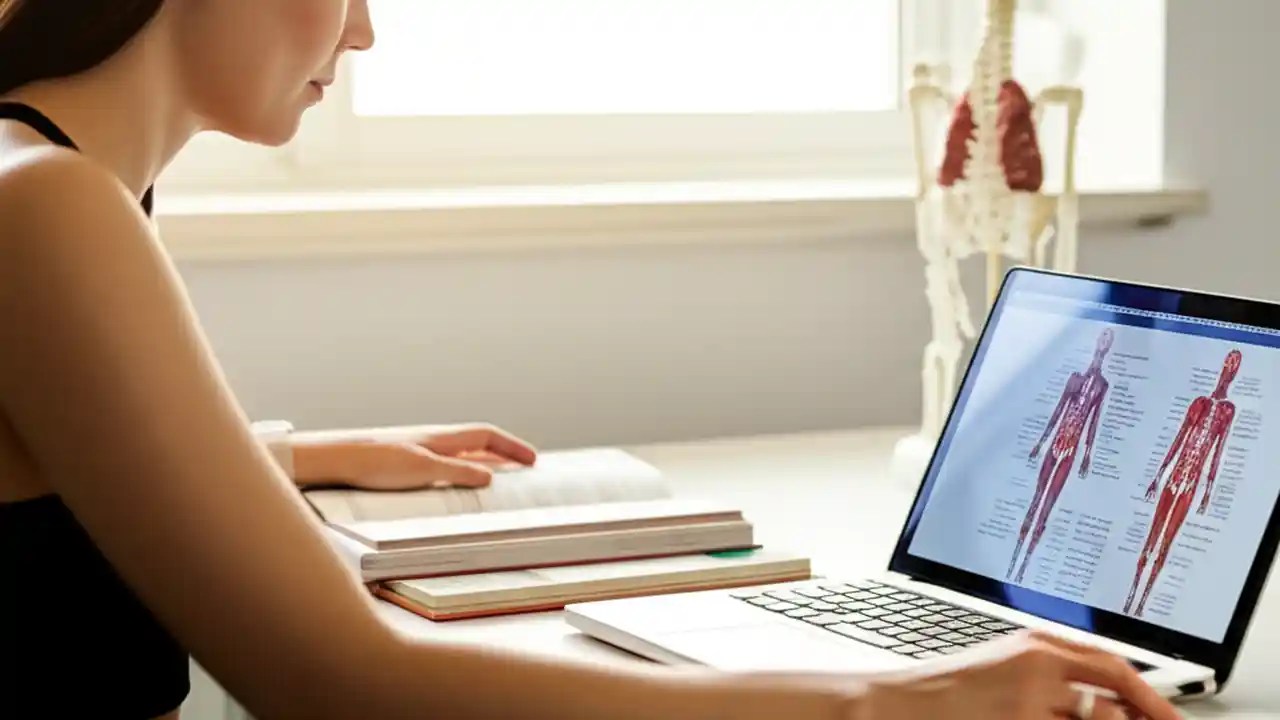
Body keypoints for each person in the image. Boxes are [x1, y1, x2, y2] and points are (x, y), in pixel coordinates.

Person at [0, 2, 1182, 719]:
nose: (363, 28)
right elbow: (343, 683)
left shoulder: (49, 173)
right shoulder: (50, 206)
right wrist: (879, 702)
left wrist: (288, 455)